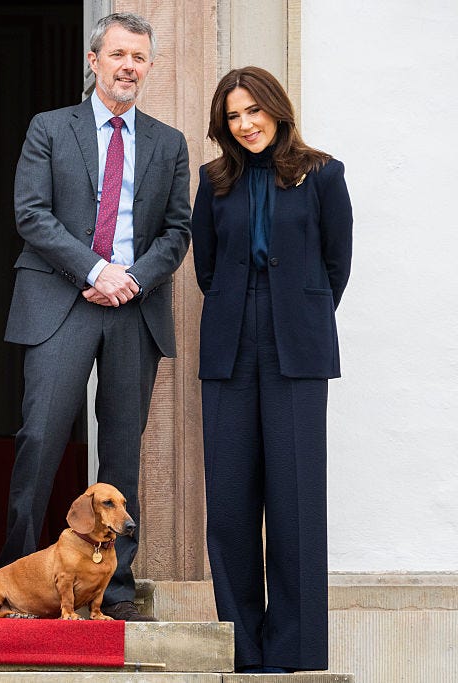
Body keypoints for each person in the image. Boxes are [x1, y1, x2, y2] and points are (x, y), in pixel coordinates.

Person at [0, 11, 191, 622]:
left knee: (122, 452)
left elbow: (177, 230)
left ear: (150, 66)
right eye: (117, 55)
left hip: (135, 306)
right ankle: (17, 580)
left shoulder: (169, 142)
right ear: (94, 60)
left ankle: (117, 588)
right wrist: (96, 270)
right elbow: (31, 213)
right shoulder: (50, 128)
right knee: (40, 438)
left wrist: (130, 278)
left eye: (138, 57)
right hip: (62, 300)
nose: (127, 66)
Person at [191, 66, 352, 673]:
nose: (245, 124)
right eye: (233, 116)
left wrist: (297, 311)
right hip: (229, 344)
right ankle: (242, 648)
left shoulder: (323, 174)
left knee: (295, 499)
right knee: (230, 503)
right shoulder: (214, 181)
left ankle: (296, 649)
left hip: (298, 347)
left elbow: (336, 263)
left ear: (276, 110)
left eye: (253, 110)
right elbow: (207, 266)